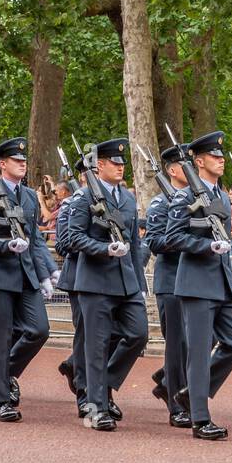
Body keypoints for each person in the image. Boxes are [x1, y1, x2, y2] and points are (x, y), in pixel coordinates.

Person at [165, 130, 232, 440]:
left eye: (222, 155)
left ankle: (191, 393)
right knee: (198, 352)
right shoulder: (185, 196)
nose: (221, 159)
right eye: (215, 156)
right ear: (199, 161)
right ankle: (200, 418)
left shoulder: (223, 196)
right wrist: (205, 246)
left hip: (222, 282)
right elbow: (171, 238)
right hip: (196, 282)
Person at [68, 137, 149, 431]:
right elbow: (73, 238)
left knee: (138, 334)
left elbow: (136, 243)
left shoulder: (127, 198)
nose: (120, 166)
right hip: (95, 281)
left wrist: (140, 282)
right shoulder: (84, 197)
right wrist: (103, 249)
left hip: (126, 280)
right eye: (115, 162)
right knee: (97, 345)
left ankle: (104, 384)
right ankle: (96, 407)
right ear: (99, 165)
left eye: (122, 162)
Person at [0, 137, 51, 422]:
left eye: (24, 160)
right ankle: (1, 401)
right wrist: (4, 246)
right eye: (17, 160)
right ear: (2, 164)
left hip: (26, 276)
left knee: (39, 329)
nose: (23, 164)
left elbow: (36, 239)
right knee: (0, 338)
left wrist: (47, 273)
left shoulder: (28, 196)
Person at [144, 144, 190, 428]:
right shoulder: (161, 204)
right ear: (172, 170)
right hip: (171, 281)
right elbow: (155, 242)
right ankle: (177, 404)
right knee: (177, 345)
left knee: (199, 341)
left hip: (195, 282)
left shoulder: (194, 200)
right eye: (185, 165)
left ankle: (167, 380)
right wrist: (186, 239)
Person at [54, 161, 89, 416]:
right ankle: (83, 386)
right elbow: (64, 243)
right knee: (86, 332)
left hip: (108, 277)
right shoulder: (71, 203)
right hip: (78, 276)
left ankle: (74, 365)